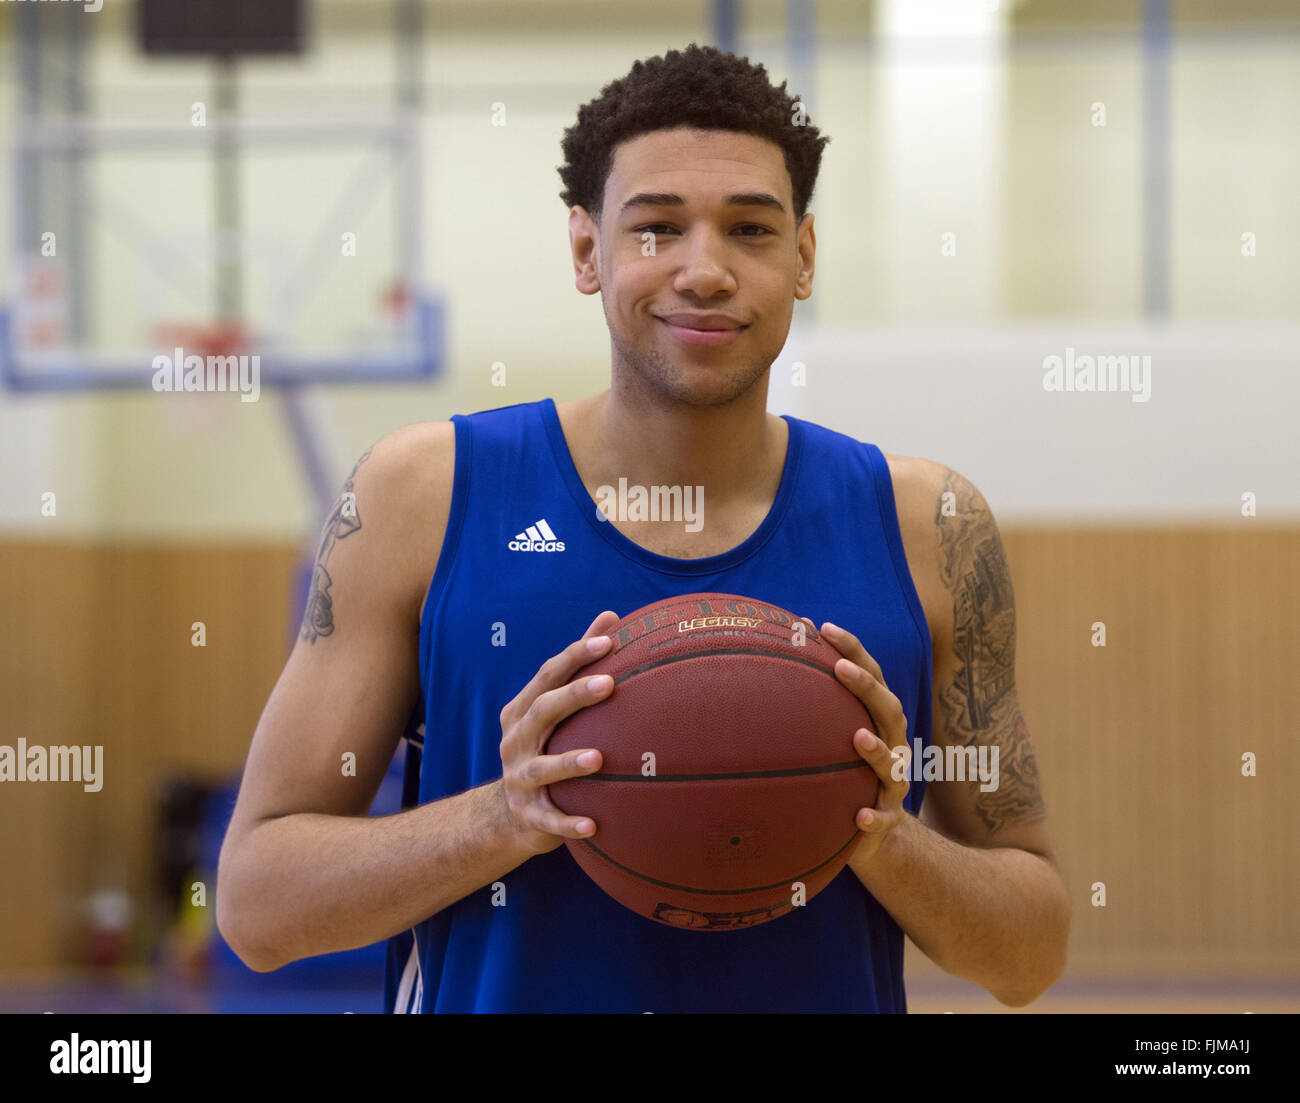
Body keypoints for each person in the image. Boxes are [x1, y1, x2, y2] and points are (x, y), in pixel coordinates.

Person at [216, 44, 1069, 1013]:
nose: (704, 271)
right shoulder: (423, 494)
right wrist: (505, 814)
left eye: (750, 229)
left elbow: (1030, 950)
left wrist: (877, 830)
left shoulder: (929, 526)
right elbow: (258, 904)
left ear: (803, 256)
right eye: (657, 227)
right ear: (588, 251)